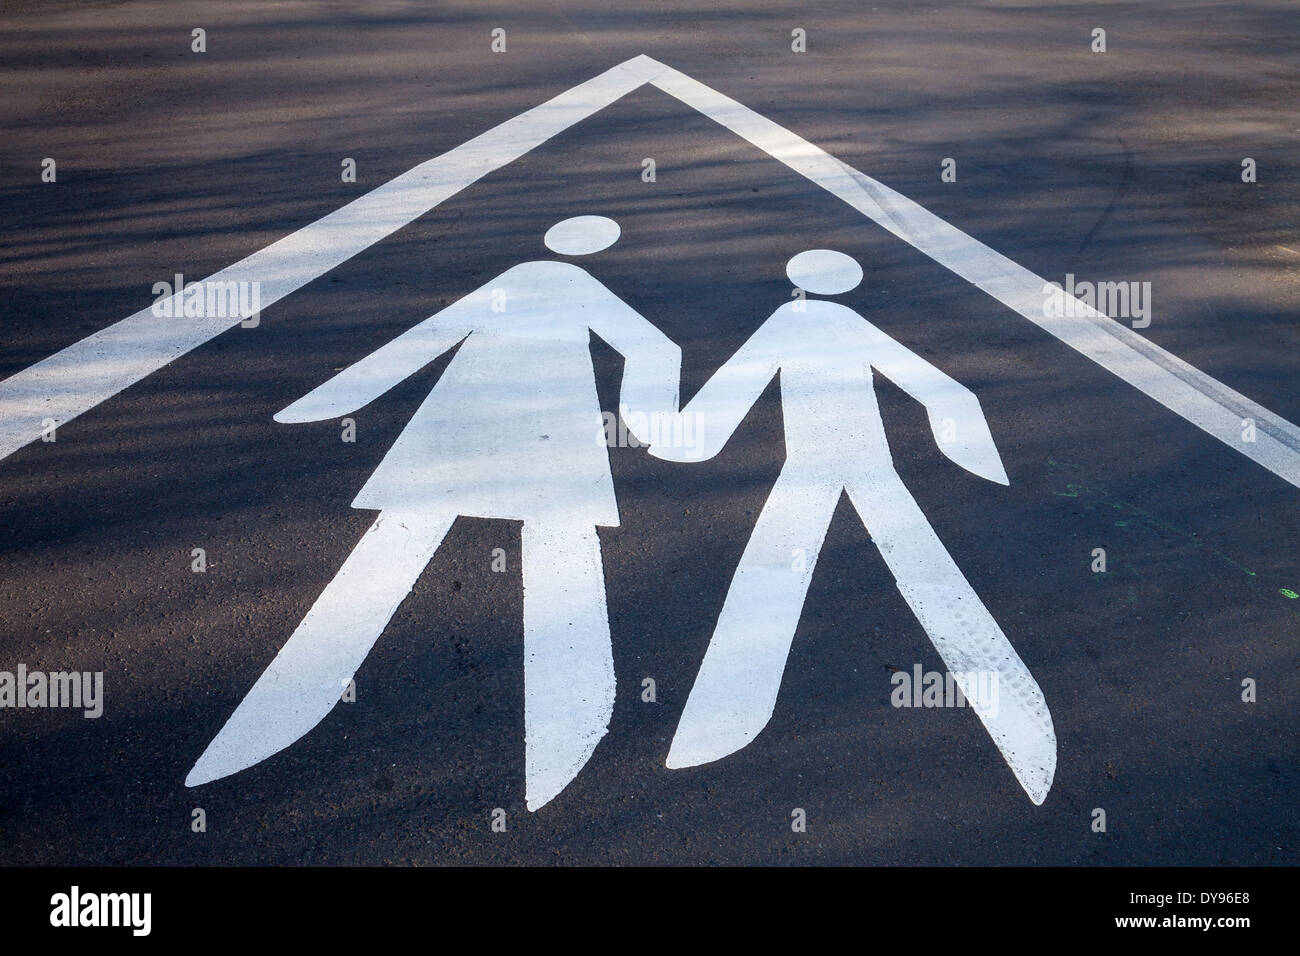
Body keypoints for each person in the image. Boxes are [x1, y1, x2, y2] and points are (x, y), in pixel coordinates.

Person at [187, 216, 682, 811]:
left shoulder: (523, 279)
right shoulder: (572, 286)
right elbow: (656, 347)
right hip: (556, 421)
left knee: (399, 536)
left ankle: (280, 710)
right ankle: (562, 732)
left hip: (463, 415)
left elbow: (427, 337)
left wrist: (334, 399)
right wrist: (653, 425)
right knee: (561, 543)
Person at [645, 249, 1056, 804]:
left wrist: (679, 437)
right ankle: (1017, 723)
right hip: (868, 470)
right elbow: (943, 391)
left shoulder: (789, 321)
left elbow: (732, 392)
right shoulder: (847, 321)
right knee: (931, 575)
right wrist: (971, 450)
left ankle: (720, 719)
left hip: (814, 470)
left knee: (771, 577)